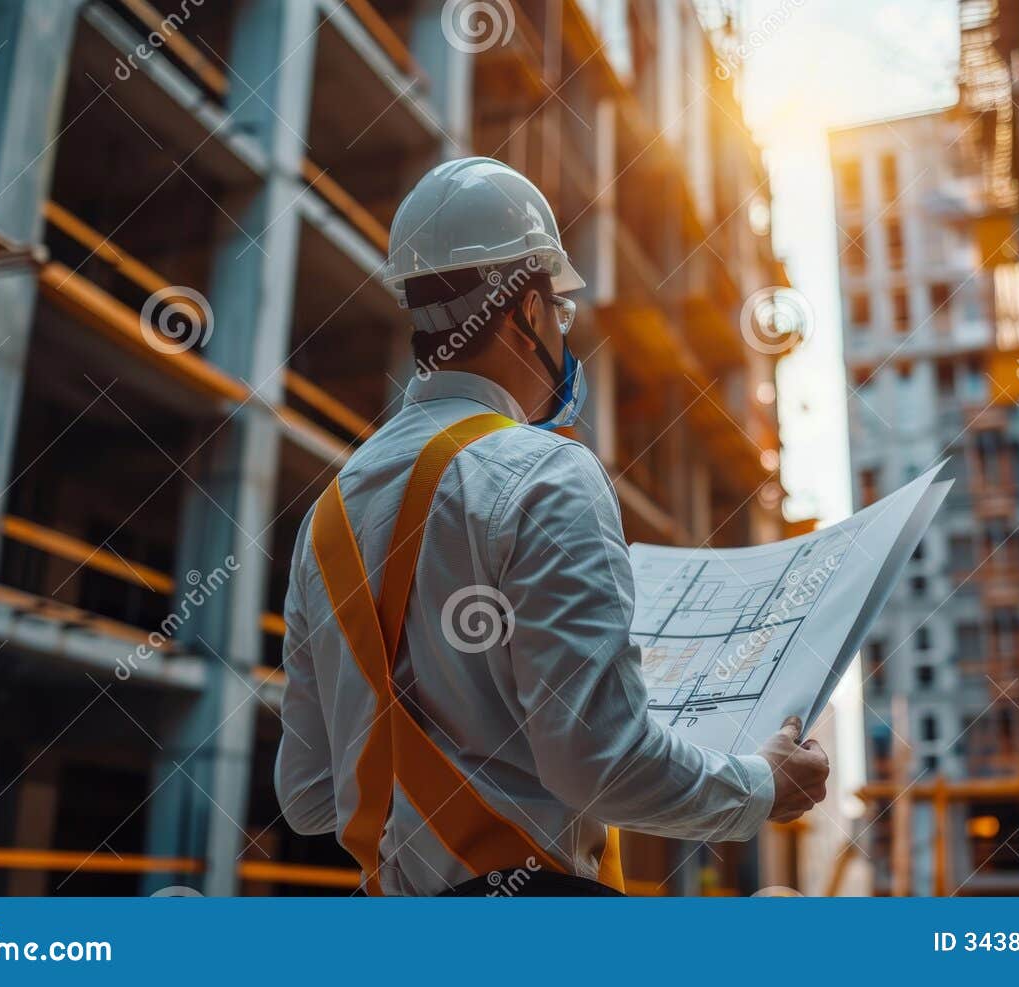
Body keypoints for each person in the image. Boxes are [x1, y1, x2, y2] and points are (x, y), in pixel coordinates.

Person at [274, 157, 829, 896]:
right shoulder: (543, 473)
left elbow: (309, 793)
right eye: (560, 313)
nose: (565, 334)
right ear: (526, 311)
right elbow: (599, 762)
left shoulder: (329, 516)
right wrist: (760, 787)